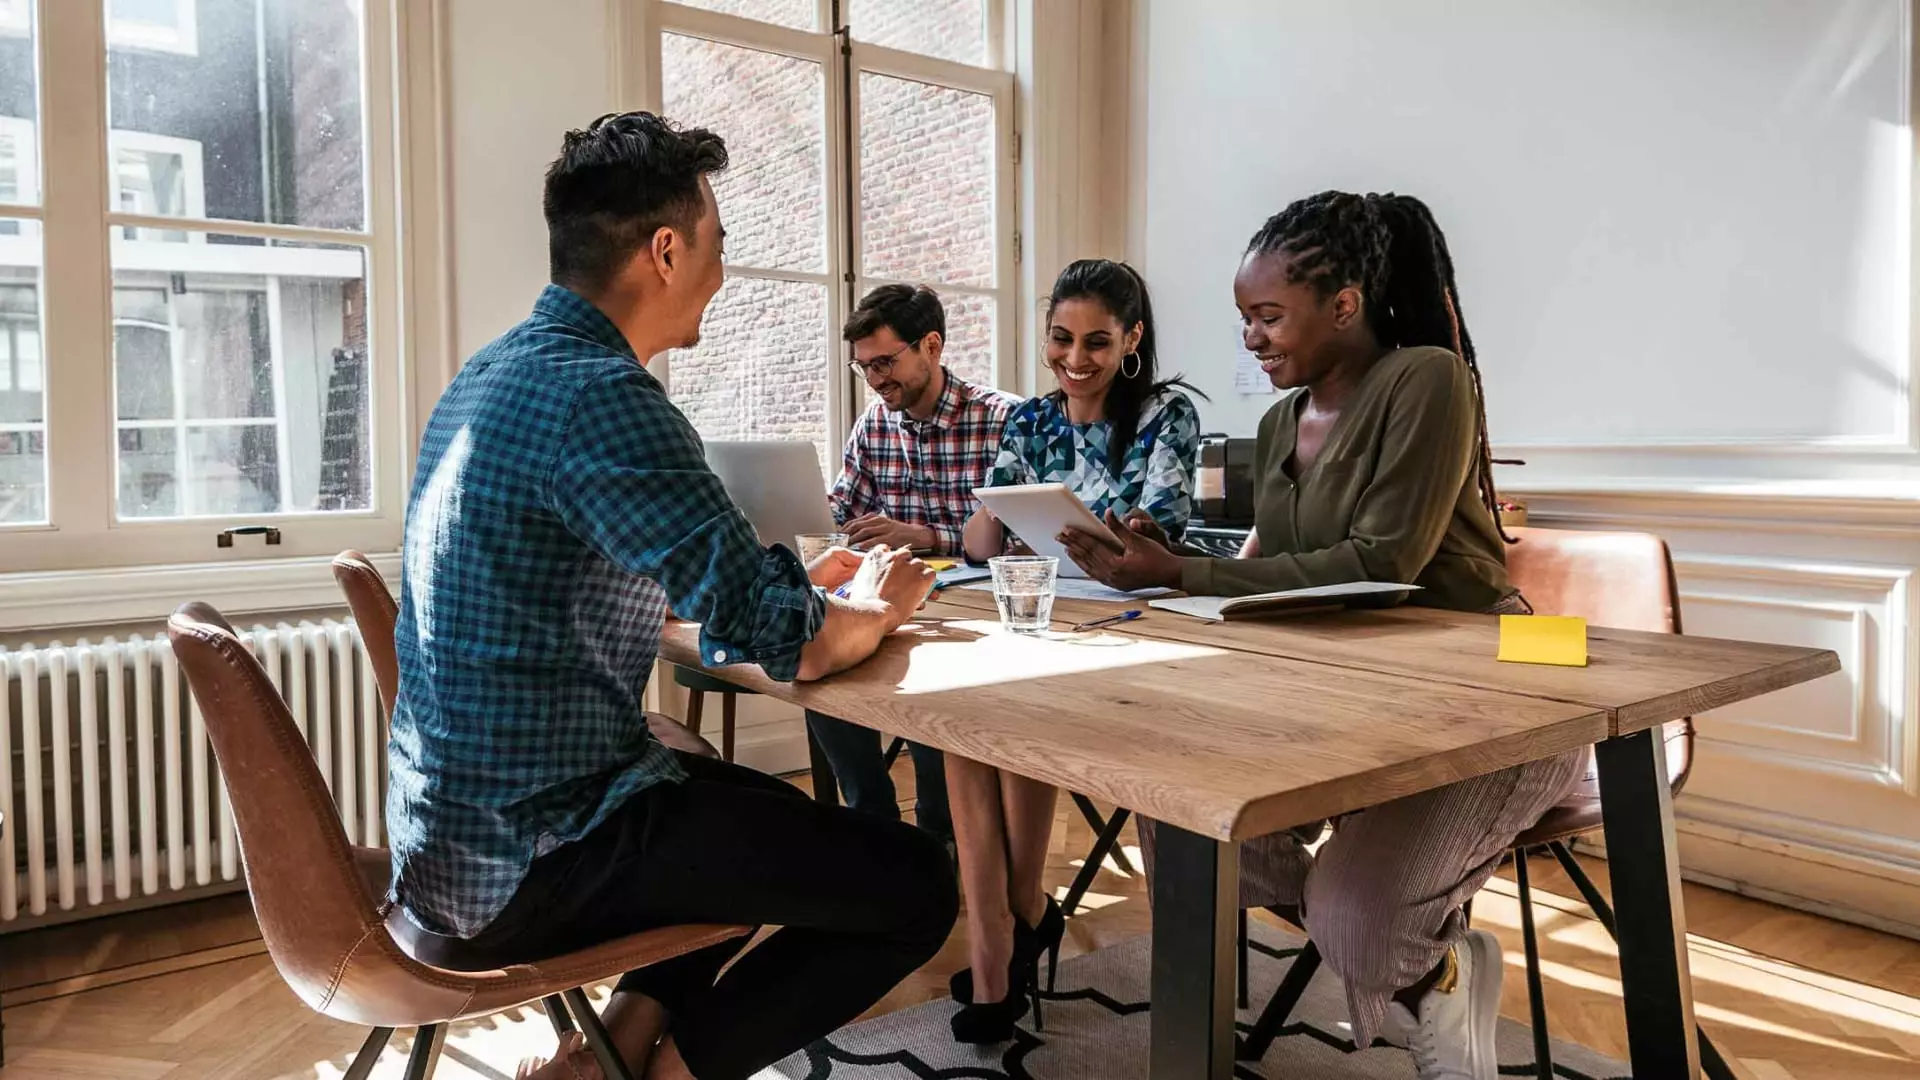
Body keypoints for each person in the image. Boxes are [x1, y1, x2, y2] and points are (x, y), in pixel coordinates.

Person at [387, 111, 955, 1080]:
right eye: (718, 242)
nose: (722, 268)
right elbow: (797, 649)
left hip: (454, 840)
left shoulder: (492, 376)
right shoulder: (606, 398)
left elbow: (653, 588)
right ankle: (672, 1073)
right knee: (916, 884)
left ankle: (606, 1053)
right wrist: (883, 607)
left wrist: (791, 585)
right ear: (664, 250)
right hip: (533, 857)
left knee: (737, 810)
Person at [1060, 192, 1583, 1080]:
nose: (1252, 339)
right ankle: (1428, 967)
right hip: (1353, 700)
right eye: (1244, 321)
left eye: (1268, 317)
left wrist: (1186, 574)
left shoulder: (1427, 379)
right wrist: (1166, 554)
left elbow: (1381, 563)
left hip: (1501, 698)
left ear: (1344, 305)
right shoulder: (1275, 423)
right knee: (1180, 815)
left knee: (1354, 918)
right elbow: (1272, 561)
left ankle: (1403, 948)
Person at [946, 258, 1202, 1043]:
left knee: (998, 705)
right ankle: (1005, 926)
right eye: (1061, 339)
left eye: (1097, 342)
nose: (1076, 359)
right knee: (958, 708)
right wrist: (990, 519)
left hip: (1139, 627)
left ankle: (1009, 929)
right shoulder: (1028, 419)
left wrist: (1100, 529)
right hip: (1045, 609)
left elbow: (1159, 534)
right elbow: (980, 541)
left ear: (1132, 339)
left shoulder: (1167, 416)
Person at [807, 284, 1019, 845]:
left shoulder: (1004, 420)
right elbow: (837, 512)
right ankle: (874, 825)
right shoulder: (874, 426)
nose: (875, 380)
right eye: (864, 368)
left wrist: (928, 535)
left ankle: (939, 837)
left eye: (884, 362)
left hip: (977, 615)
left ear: (931, 345)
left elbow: (1024, 546)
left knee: (929, 684)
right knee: (816, 658)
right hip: (896, 609)